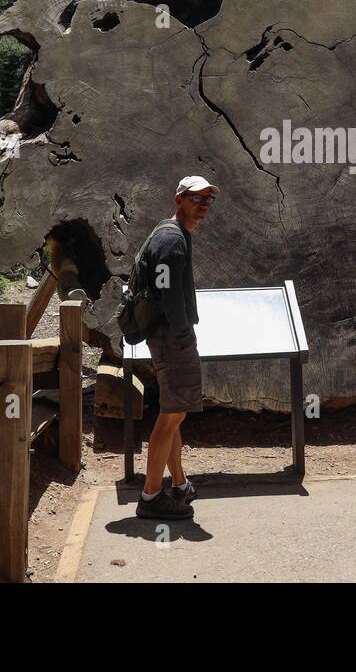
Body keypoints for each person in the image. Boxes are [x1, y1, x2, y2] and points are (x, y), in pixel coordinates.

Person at [135, 175, 218, 521]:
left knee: (175, 412)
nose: (203, 205)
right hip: (172, 340)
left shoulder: (171, 233)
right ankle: (151, 497)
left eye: (208, 199)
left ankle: (179, 484)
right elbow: (168, 294)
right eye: (196, 198)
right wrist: (184, 336)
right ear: (178, 198)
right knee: (170, 416)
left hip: (167, 337)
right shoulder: (171, 240)